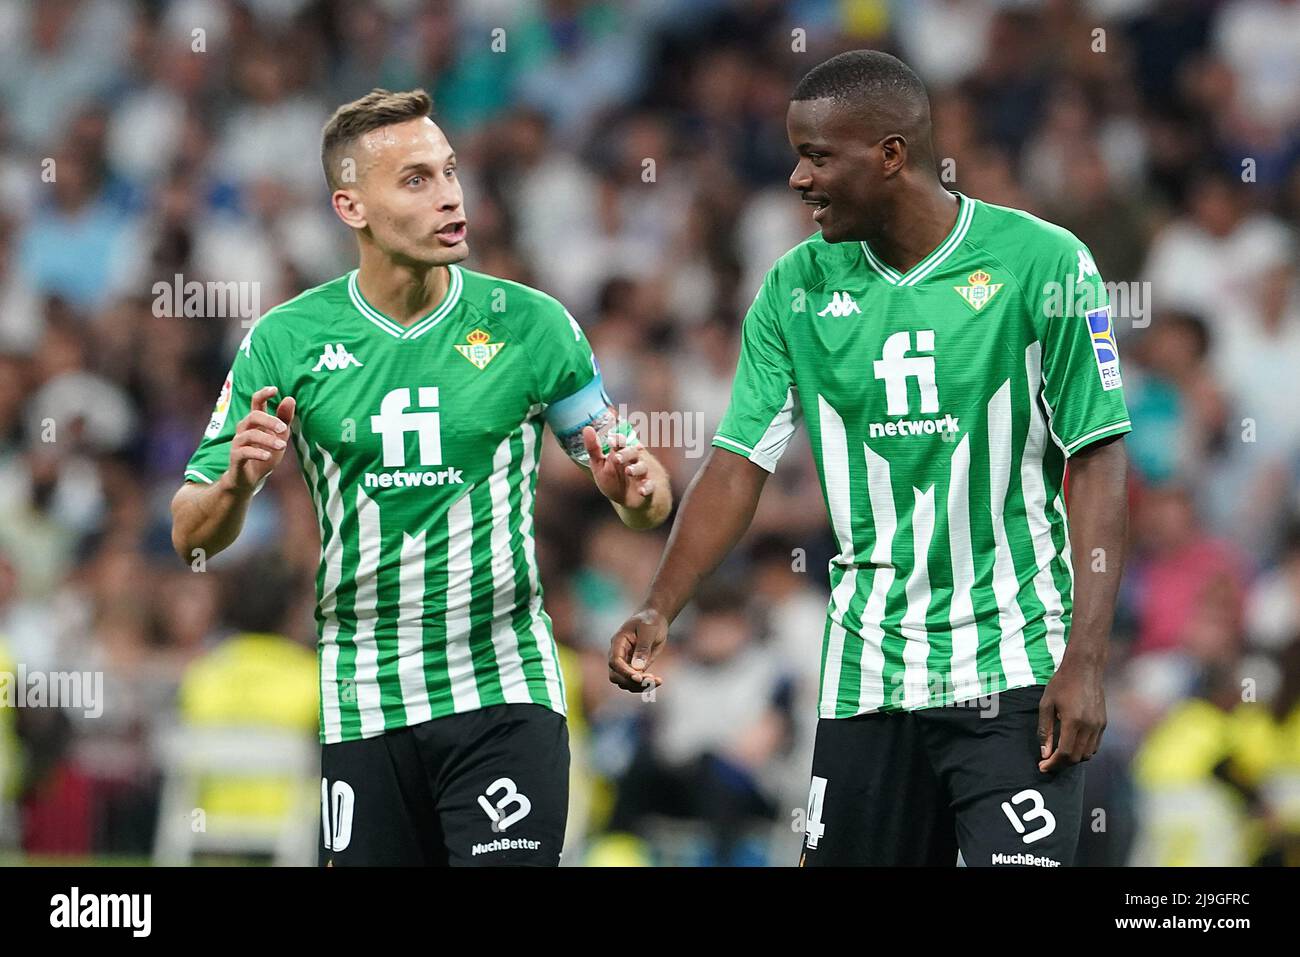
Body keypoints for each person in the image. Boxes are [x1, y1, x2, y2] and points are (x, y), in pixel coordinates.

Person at [606, 51, 1130, 867]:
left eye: (817, 156)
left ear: (891, 154)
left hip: (1016, 661)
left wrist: (1086, 658)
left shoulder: (1044, 262)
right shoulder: (795, 289)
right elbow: (738, 462)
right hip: (868, 676)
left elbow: (1098, 457)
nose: (797, 178)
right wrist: (659, 605)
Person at [171, 89, 672, 866]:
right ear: (352, 206)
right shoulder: (285, 341)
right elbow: (190, 531)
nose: (449, 195)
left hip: (502, 686)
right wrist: (236, 482)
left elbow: (648, 499)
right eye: (415, 179)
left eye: (449, 171)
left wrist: (633, 488)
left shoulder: (531, 324)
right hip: (364, 698)